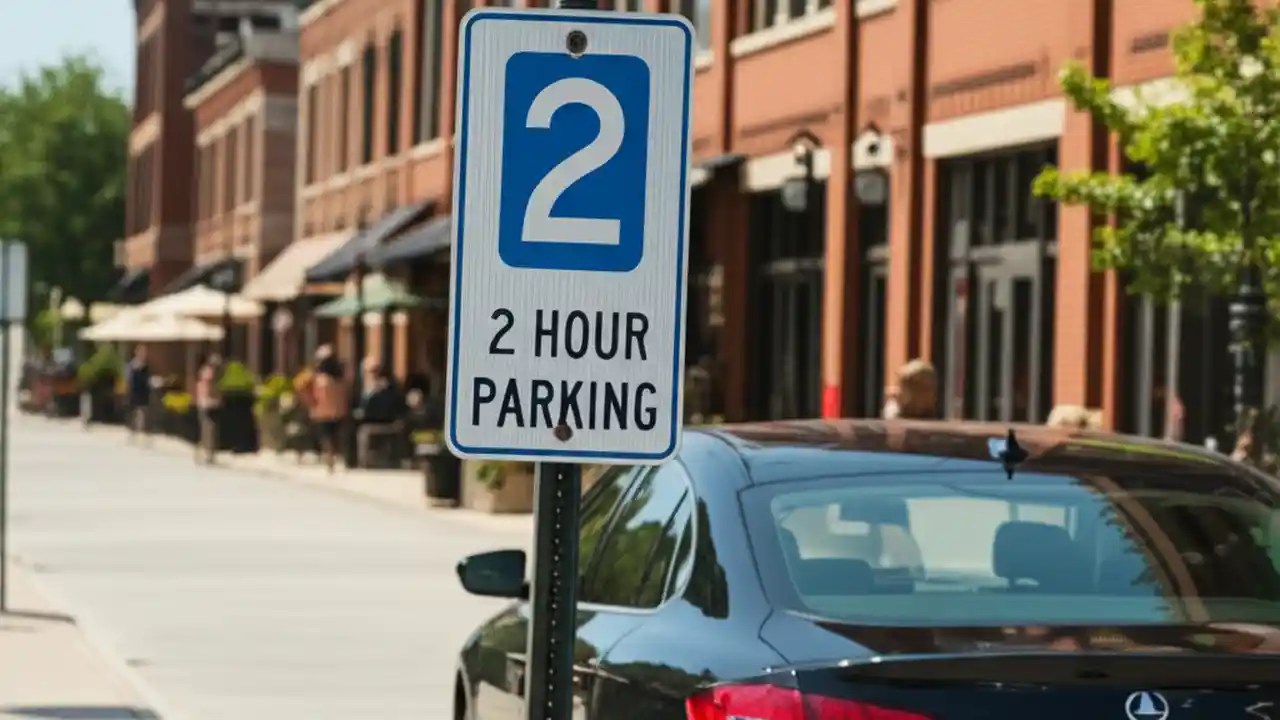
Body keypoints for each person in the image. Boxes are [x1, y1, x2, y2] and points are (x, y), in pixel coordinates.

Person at [310, 345, 348, 474]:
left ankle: (330, 461)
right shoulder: (340, 379)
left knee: (327, 437)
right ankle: (335, 459)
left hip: (324, 412)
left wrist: (313, 406)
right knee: (335, 436)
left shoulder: (321, 379)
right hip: (338, 412)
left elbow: (317, 395)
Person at [194, 354, 222, 464]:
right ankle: (207, 452)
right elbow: (208, 390)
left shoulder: (209, 373)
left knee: (210, 430)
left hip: (208, 404)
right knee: (209, 429)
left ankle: (208, 452)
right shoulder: (208, 373)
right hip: (206, 405)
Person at [125, 347, 152, 442]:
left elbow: (147, 379)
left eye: (144, 353)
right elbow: (128, 379)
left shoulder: (146, 366)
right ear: (136, 353)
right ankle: (133, 431)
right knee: (135, 412)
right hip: (135, 392)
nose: (143, 355)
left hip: (144, 392)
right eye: (141, 352)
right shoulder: (132, 365)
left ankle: (141, 431)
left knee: (143, 412)